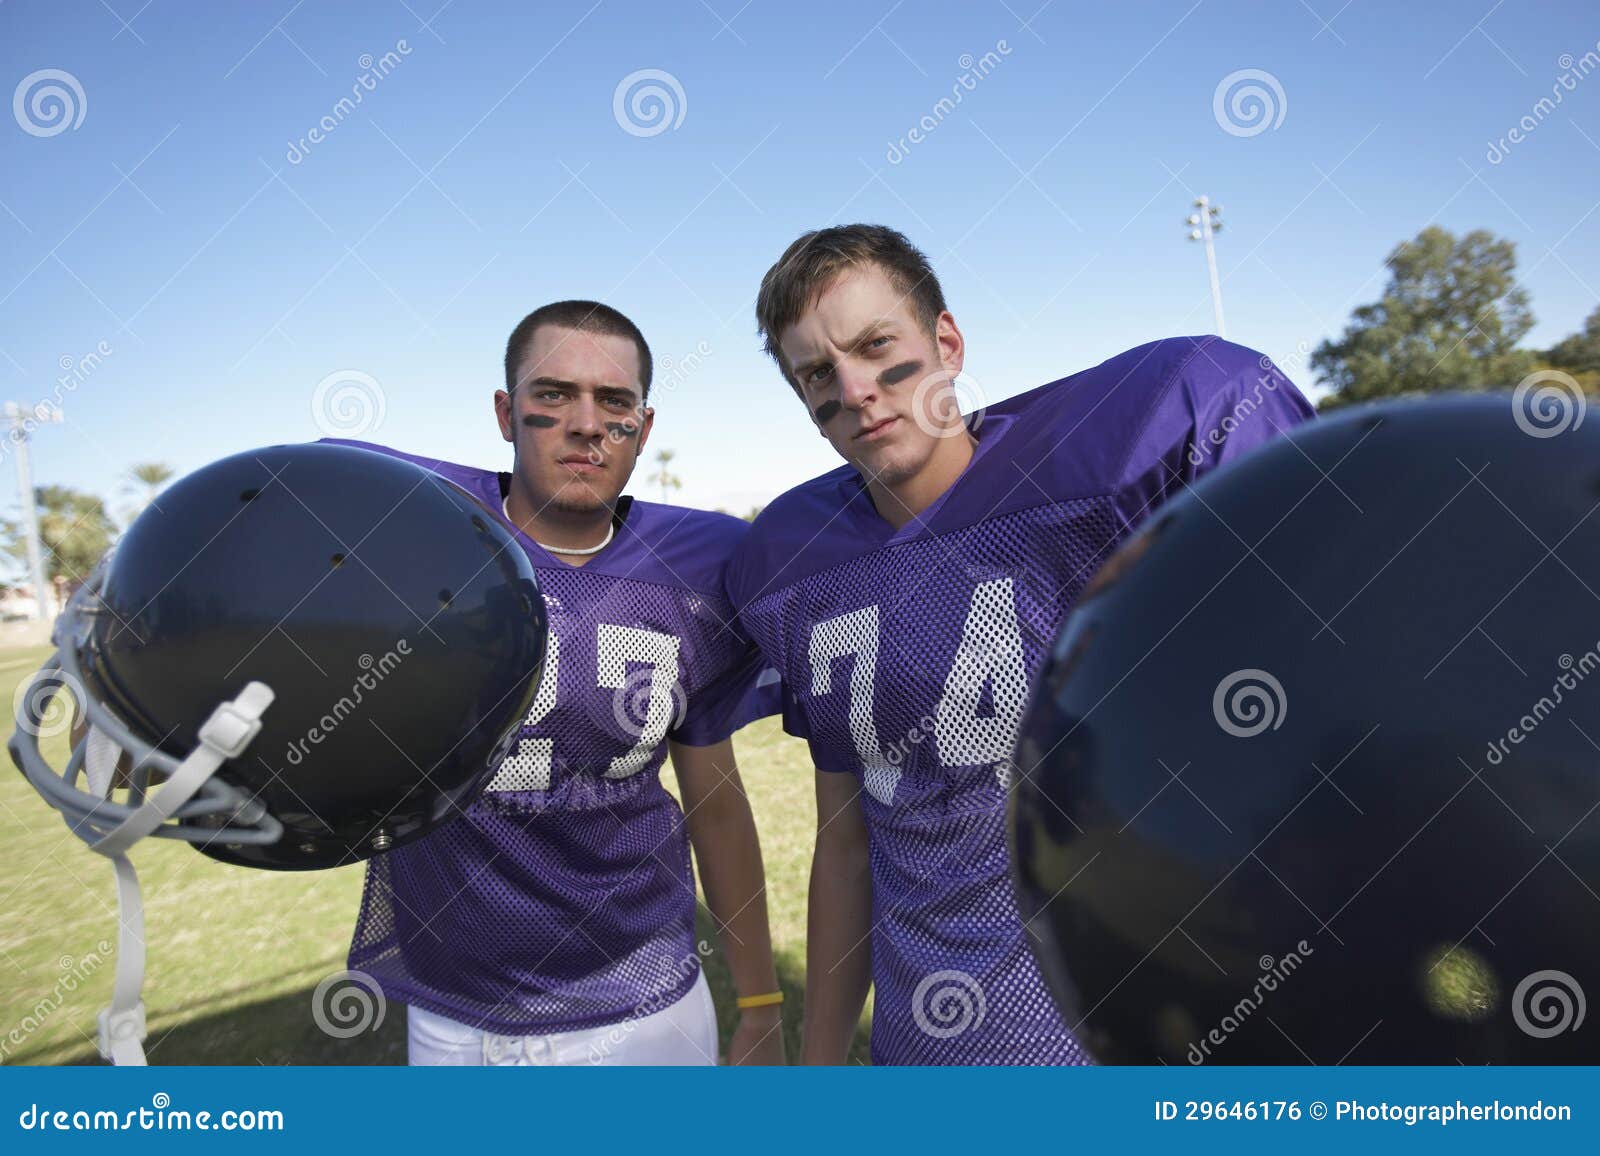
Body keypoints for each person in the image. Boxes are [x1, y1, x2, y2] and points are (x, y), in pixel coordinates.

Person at [725, 224, 1314, 1064]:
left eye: (874, 345)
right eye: (818, 372)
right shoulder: (792, 568)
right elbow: (848, 839)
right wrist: (820, 1069)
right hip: (919, 1053)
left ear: (947, 343)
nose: (855, 389)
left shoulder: (1123, 468)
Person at [340, 300, 786, 1066]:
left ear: (642, 429)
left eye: (613, 402)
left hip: (644, 1005)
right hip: (455, 1011)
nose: (585, 423)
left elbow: (714, 800)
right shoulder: (417, 525)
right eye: (553, 395)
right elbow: (265, 509)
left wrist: (760, 1000)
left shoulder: (704, 563)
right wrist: (124, 621)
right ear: (507, 413)